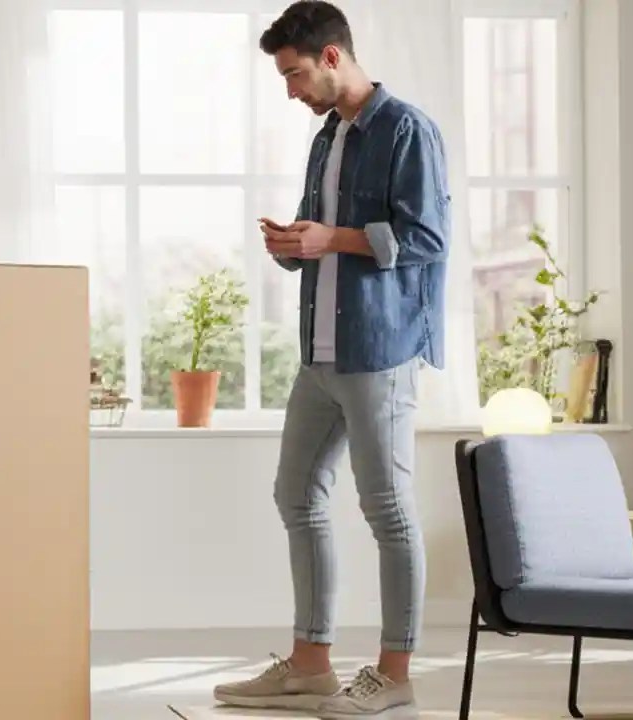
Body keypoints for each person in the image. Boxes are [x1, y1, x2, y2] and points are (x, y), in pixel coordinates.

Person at [212, 1, 449, 715]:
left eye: (294, 74)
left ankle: (394, 672)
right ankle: (311, 663)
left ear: (333, 57)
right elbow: (329, 239)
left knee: (388, 513)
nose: (290, 90)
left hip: (379, 353)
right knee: (296, 496)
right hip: (320, 352)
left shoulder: (407, 129)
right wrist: (294, 245)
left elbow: (427, 240)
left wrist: (332, 239)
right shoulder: (327, 137)